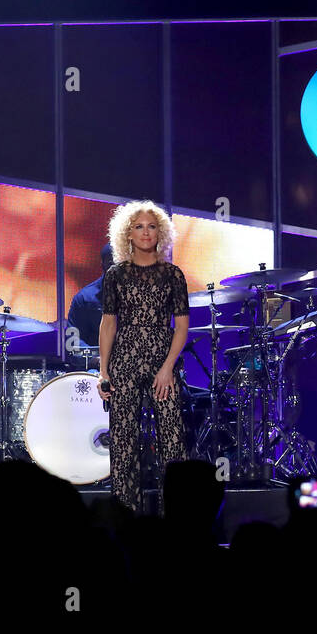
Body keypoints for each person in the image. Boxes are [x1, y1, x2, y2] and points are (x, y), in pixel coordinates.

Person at [96, 201, 190, 513]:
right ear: (128, 234)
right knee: (123, 443)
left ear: (160, 231)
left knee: (173, 440)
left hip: (163, 361)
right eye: (139, 226)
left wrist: (167, 369)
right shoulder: (116, 275)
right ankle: (125, 516)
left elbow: (181, 328)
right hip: (124, 360)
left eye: (151, 226)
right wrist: (103, 371)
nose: (146, 232)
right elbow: (108, 323)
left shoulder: (173, 275)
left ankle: (178, 515)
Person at [67, 244, 114, 349]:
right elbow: (74, 342)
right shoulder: (84, 299)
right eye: (112, 265)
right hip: (98, 364)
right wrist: (95, 359)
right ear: (102, 265)